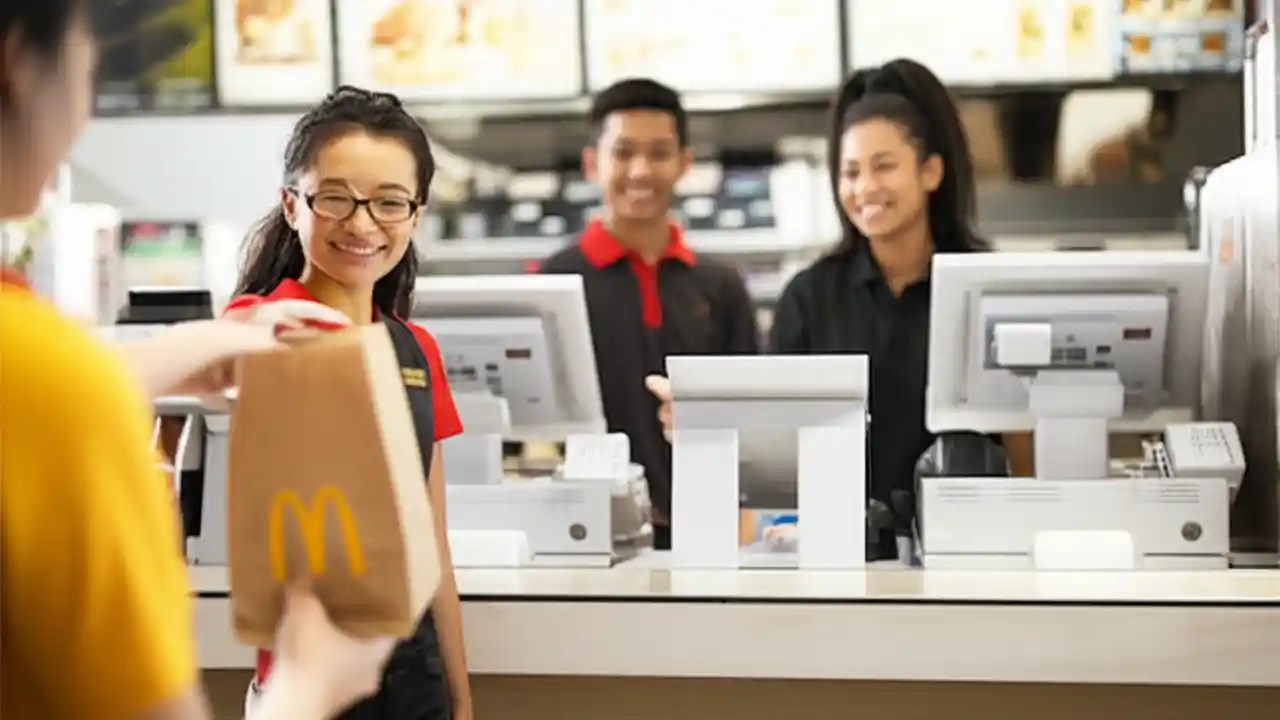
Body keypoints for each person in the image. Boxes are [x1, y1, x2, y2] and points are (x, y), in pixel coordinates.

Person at [0, 1, 401, 718]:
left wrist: (171, 356)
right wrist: (312, 682)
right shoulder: (43, 375)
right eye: (89, 66)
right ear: (20, 64)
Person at [647, 59, 1035, 559]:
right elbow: (776, 455)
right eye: (849, 172)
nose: (864, 187)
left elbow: (1025, 456)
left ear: (932, 171)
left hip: (971, 557)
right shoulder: (810, 297)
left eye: (884, 166)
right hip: (839, 561)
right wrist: (704, 426)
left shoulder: (986, 289)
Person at [227, 85, 475, 720]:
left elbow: (432, 546)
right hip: (307, 685)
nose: (362, 224)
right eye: (335, 198)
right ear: (292, 204)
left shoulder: (416, 349)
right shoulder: (260, 323)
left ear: (416, 216)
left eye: (390, 202)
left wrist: (462, 701)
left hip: (413, 679)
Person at [539, 78, 759, 551]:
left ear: (684, 164)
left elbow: (752, 425)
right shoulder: (554, 284)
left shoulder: (721, 287)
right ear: (593, 163)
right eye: (623, 152)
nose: (640, 170)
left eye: (659, 154)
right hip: (584, 534)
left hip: (708, 535)